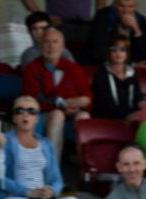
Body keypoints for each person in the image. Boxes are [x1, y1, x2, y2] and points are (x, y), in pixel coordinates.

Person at [0, 96, 83, 199]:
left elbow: (57, 179)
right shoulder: (5, 141)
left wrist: (52, 191)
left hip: (41, 198)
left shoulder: (46, 144)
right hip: (17, 198)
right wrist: (28, 192)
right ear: (14, 117)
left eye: (31, 111)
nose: (25, 115)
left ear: (37, 118)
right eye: (20, 111)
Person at [23, 27, 93, 159]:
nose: (51, 46)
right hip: (44, 115)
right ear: (41, 45)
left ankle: (86, 170)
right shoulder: (32, 69)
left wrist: (77, 104)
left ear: (62, 46)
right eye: (47, 42)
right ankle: (53, 170)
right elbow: (33, 100)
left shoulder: (74, 69)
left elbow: (87, 98)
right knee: (57, 115)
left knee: (83, 117)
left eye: (55, 42)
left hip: (72, 113)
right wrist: (61, 105)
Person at [85, 0, 146, 66]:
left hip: (130, 68)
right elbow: (99, 52)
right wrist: (131, 65)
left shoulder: (141, 21)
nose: (126, 11)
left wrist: (137, 31)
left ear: (135, 6)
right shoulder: (102, 16)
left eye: (130, 6)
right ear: (115, 5)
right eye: (121, 6)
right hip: (102, 65)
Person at [91, 33, 143, 121]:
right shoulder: (100, 76)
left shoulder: (132, 74)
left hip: (131, 118)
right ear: (108, 52)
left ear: (127, 53)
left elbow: (137, 99)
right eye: (114, 49)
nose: (118, 53)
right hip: (107, 121)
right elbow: (108, 107)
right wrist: (131, 114)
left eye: (122, 49)